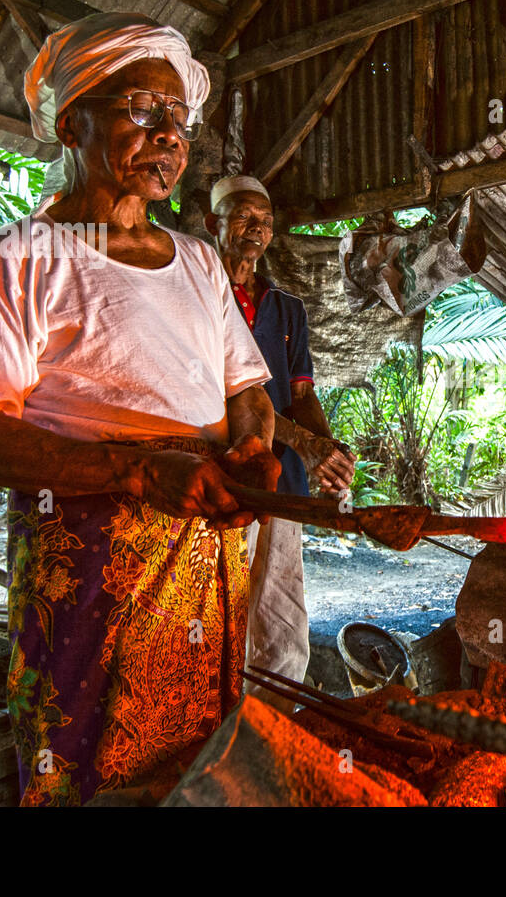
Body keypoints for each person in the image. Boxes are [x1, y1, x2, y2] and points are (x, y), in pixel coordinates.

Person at [0, 13, 282, 806]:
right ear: (72, 118)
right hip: (89, 573)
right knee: (89, 767)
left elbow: (247, 391)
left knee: (197, 766)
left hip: (203, 565)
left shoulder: (199, 263)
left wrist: (253, 450)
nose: (168, 136)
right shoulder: (17, 259)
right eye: (143, 110)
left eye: (178, 121)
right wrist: (130, 471)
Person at [204, 175, 354, 696]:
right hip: (220, 475)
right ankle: (212, 707)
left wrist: (329, 452)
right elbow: (226, 398)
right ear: (211, 224)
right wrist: (308, 446)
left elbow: (300, 393)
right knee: (216, 597)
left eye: (265, 222)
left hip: (282, 479)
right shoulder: (199, 297)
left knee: (279, 598)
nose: (257, 230)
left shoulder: (286, 308)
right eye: (244, 217)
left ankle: (275, 708)